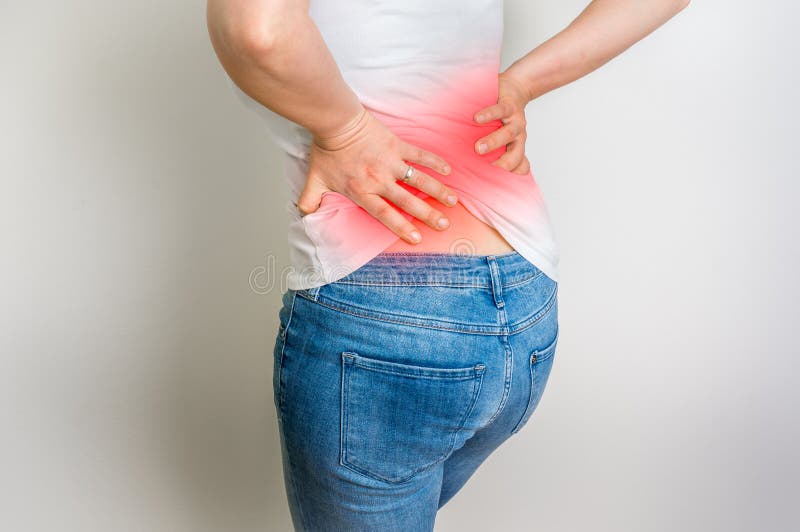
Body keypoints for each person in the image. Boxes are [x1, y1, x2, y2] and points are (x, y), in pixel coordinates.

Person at [207, 0, 690, 529]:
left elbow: (259, 30)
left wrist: (346, 132)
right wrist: (522, 84)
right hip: (525, 296)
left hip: (379, 328)